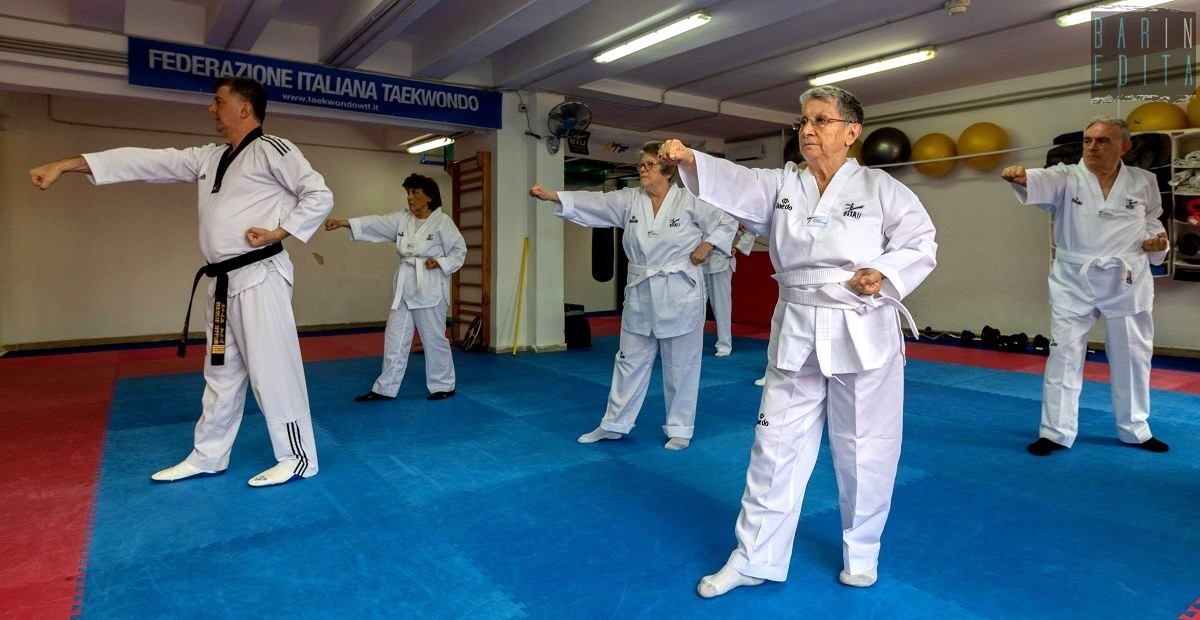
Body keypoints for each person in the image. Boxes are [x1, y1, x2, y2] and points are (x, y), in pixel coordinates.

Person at [659, 85, 937, 596]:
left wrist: (883, 269)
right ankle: (753, 558)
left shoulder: (882, 189)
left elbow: (921, 243)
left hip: (861, 323)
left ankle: (863, 551)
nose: (808, 129)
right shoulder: (782, 185)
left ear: (851, 132)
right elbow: (735, 182)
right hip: (796, 328)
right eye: (803, 121)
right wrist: (691, 157)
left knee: (865, 448)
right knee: (774, 445)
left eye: (821, 120)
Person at [28, 76, 333, 487]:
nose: (211, 108)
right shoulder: (209, 157)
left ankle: (298, 458)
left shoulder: (273, 149)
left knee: (274, 370)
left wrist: (282, 231)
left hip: (260, 278)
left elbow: (318, 193)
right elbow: (146, 161)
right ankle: (209, 456)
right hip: (222, 285)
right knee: (220, 374)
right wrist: (67, 164)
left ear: (245, 108)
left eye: (218, 101)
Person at [529, 140, 737, 450]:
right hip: (641, 290)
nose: (642, 169)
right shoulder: (630, 200)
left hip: (679, 288)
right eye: (640, 165)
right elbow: (594, 203)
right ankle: (614, 424)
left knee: (681, 363)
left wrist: (706, 246)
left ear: (667, 171)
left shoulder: (690, 199)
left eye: (649, 164)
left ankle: (680, 427)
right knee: (628, 360)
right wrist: (553, 196)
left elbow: (727, 219)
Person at [1001, 117, 1170, 456]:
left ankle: (1135, 429)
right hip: (1074, 278)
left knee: (1133, 356)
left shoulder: (1144, 181)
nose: (1092, 147)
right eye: (1087, 141)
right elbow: (1039, 181)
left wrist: (1158, 242)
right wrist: (1020, 177)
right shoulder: (1066, 177)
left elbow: (1153, 221)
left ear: (1124, 146)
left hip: (1127, 278)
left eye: (1102, 141)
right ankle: (1055, 432)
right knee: (1063, 353)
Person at [324, 173, 466, 403]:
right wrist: (344, 222)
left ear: (428, 197)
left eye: (414, 193)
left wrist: (440, 262)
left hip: (429, 285)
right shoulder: (402, 218)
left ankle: (444, 385)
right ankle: (385, 387)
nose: (409, 198)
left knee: (434, 338)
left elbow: (459, 251)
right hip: (404, 285)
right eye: (408, 193)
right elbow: (376, 222)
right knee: (394, 338)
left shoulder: (443, 223)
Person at [703, 226, 756, 357]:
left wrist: (737, 247)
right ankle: (692, 342)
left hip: (721, 260)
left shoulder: (728, 211)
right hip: (697, 261)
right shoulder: (697, 208)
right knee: (694, 305)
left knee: (721, 306)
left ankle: (724, 344)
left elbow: (750, 231)